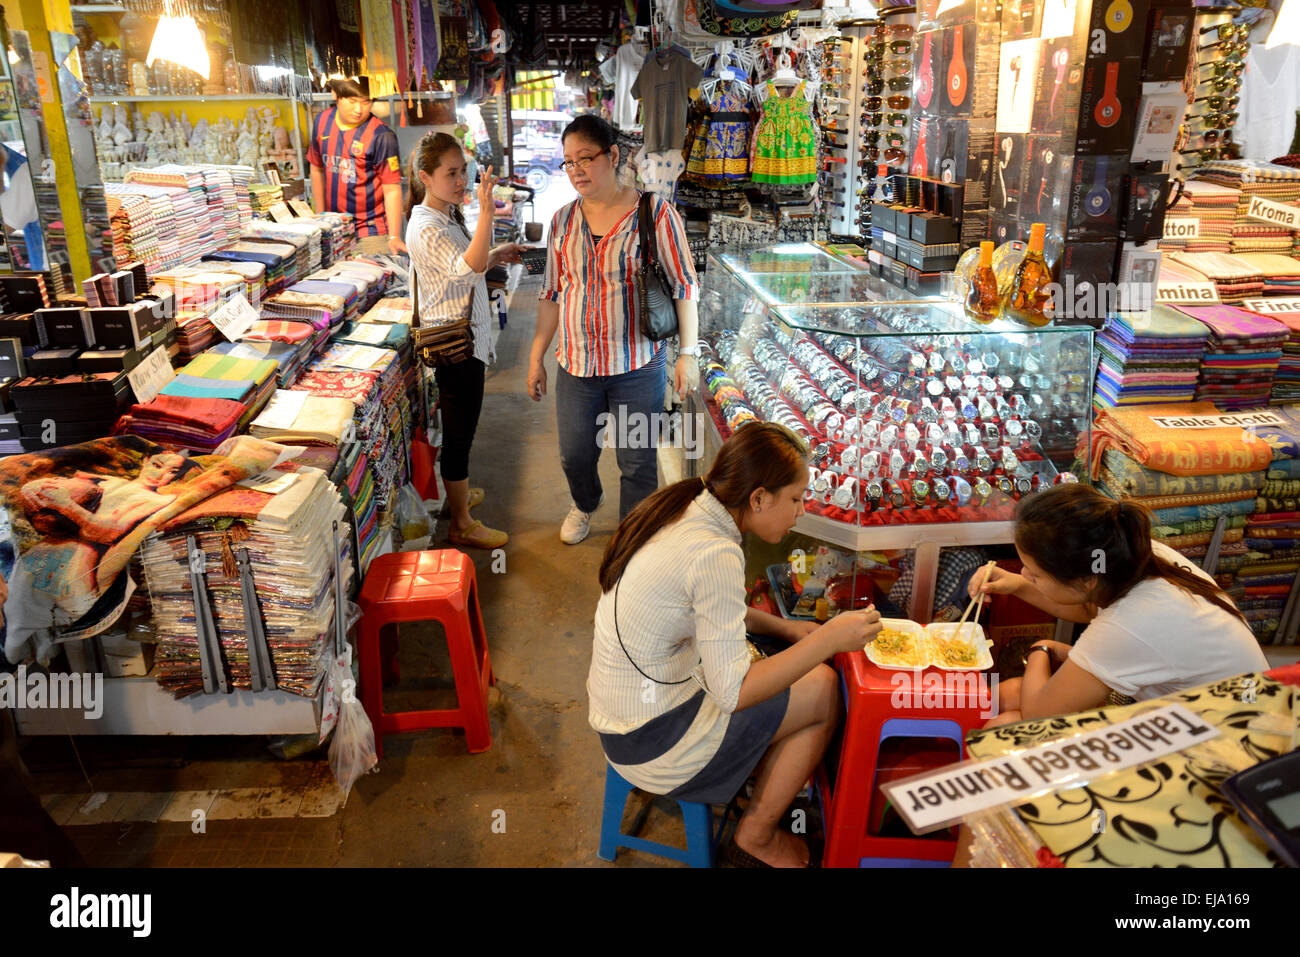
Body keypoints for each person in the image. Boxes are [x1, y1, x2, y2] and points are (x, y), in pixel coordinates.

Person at [587, 423, 881, 867]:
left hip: (624, 718)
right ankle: (757, 837)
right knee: (821, 689)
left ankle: (765, 782)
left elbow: (714, 608)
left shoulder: (688, 504)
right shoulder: (715, 552)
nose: (800, 512)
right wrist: (827, 639)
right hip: (652, 740)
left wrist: (787, 630)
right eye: (796, 499)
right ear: (759, 498)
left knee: (780, 652)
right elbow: (733, 692)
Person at [527, 113, 702, 545]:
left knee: (637, 460)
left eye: (585, 158)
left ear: (614, 155)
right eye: (568, 162)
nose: (577, 170)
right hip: (576, 365)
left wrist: (688, 353)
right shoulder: (563, 221)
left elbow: (684, 286)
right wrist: (536, 357)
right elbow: (551, 292)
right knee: (574, 455)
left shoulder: (653, 212)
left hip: (636, 363)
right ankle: (586, 502)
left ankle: (634, 537)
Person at [970, 483, 1269, 726]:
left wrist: (1041, 649)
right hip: (1213, 712)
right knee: (1005, 695)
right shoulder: (1127, 554)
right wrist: (1019, 585)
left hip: (1229, 742)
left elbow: (1039, 716)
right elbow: (1089, 606)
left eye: (1033, 573)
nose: (1023, 574)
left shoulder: (1131, 622)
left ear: (1084, 580)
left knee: (1005, 725)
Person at [405, 132, 523, 549]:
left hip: (466, 338)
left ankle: (459, 490)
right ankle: (461, 522)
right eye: (451, 173)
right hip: (456, 346)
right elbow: (466, 267)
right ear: (425, 177)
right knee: (460, 434)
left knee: (462, 430)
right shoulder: (427, 226)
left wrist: (496, 252)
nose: (461, 181)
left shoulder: (443, 217)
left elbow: (466, 268)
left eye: (464, 172)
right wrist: (488, 213)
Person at [308, 76, 406, 257]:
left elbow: (392, 188)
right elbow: (316, 168)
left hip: (370, 232)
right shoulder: (322, 121)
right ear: (335, 94)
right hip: (334, 229)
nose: (358, 109)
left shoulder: (382, 135)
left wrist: (394, 236)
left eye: (366, 102)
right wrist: (321, 217)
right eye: (352, 101)